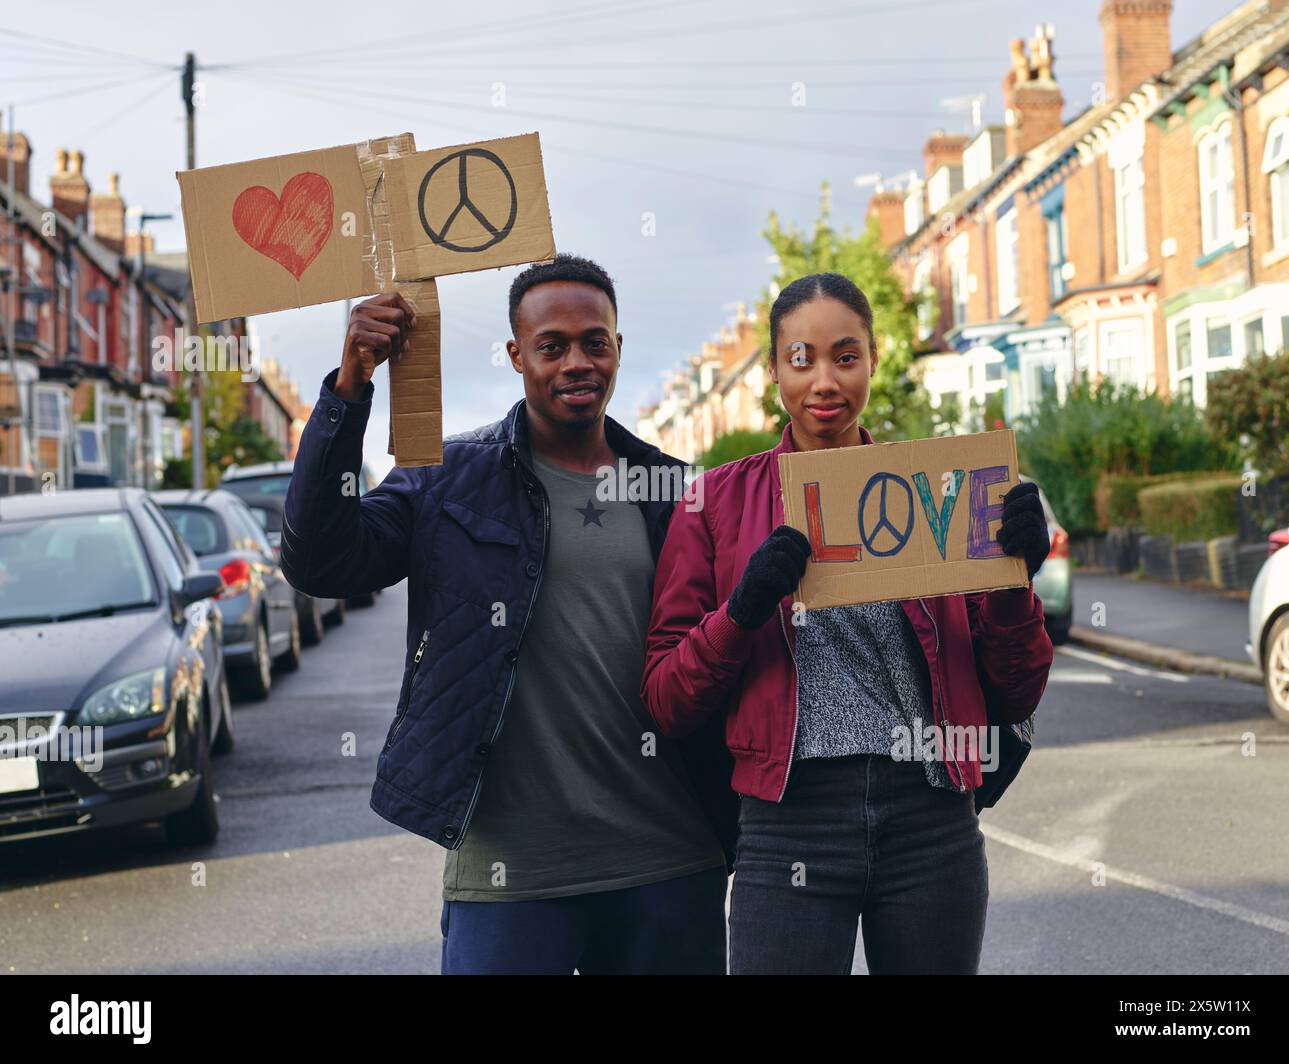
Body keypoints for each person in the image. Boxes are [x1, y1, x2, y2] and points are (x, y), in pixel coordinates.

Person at [281, 254, 734, 975]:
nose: (577, 361)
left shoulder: (674, 491)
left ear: (619, 349)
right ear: (515, 355)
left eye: (596, 341)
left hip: (666, 862)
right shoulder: (445, 478)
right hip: (510, 875)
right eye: (552, 345)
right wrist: (349, 388)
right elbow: (322, 562)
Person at [641, 272, 1053, 975]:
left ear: (873, 359)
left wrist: (1016, 583)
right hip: (789, 821)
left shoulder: (941, 492)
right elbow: (667, 698)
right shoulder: (711, 502)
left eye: (845, 355)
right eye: (800, 359)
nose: (824, 380)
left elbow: (1016, 692)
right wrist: (740, 613)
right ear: (772, 369)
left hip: (932, 820)